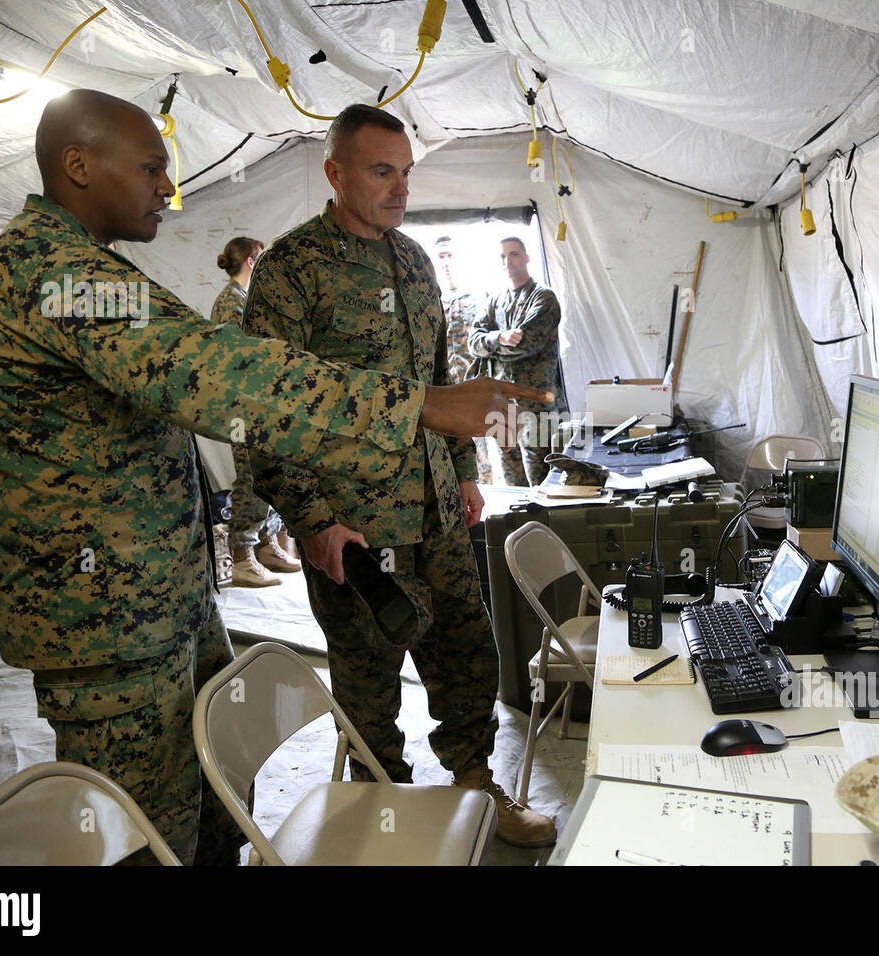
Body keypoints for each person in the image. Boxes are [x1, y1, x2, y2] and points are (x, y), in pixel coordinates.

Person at [0, 89, 548, 864]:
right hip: (106, 616)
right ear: (78, 164)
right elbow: (225, 377)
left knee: (207, 810)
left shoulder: (83, 268)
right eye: (151, 168)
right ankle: (382, 821)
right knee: (148, 835)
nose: (167, 188)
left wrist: (450, 448)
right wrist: (416, 411)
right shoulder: (53, 276)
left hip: (156, 599)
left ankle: (466, 787)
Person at [241, 103, 558, 847]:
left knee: (466, 657)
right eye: (382, 171)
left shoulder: (414, 262)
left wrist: (465, 471)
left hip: (438, 514)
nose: (399, 188)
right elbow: (266, 411)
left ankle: (477, 788)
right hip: (353, 526)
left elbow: (442, 383)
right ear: (336, 172)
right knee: (367, 687)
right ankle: (381, 816)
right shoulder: (292, 269)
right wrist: (312, 519)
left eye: (406, 173)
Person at [209, 236, 300, 587]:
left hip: (262, 404)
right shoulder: (230, 302)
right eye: (260, 258)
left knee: (269, 474)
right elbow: (239, 357)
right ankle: (243, 554)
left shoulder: (247, 299)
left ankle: (266, 544)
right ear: (251, 261)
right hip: (245, 406)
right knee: (251, 479)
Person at [468, 237, 564, 486]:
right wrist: (500, 337)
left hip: (535, 405)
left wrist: (490, 346)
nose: (508, 260)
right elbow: (472, 342)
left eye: (514, 254)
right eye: (503, 256)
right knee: (512, 483)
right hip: (501, 405)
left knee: (543, 481)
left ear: (526, 257)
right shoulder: (495, 300)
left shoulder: (543, 298)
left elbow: (527, 344)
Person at [434, 235, 493, 484]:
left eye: (450, 256)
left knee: (488, 457)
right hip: (447, 397)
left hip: (477, 394)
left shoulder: (482, 298)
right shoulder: (434, 302)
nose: (446, 263)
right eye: (441, 258)